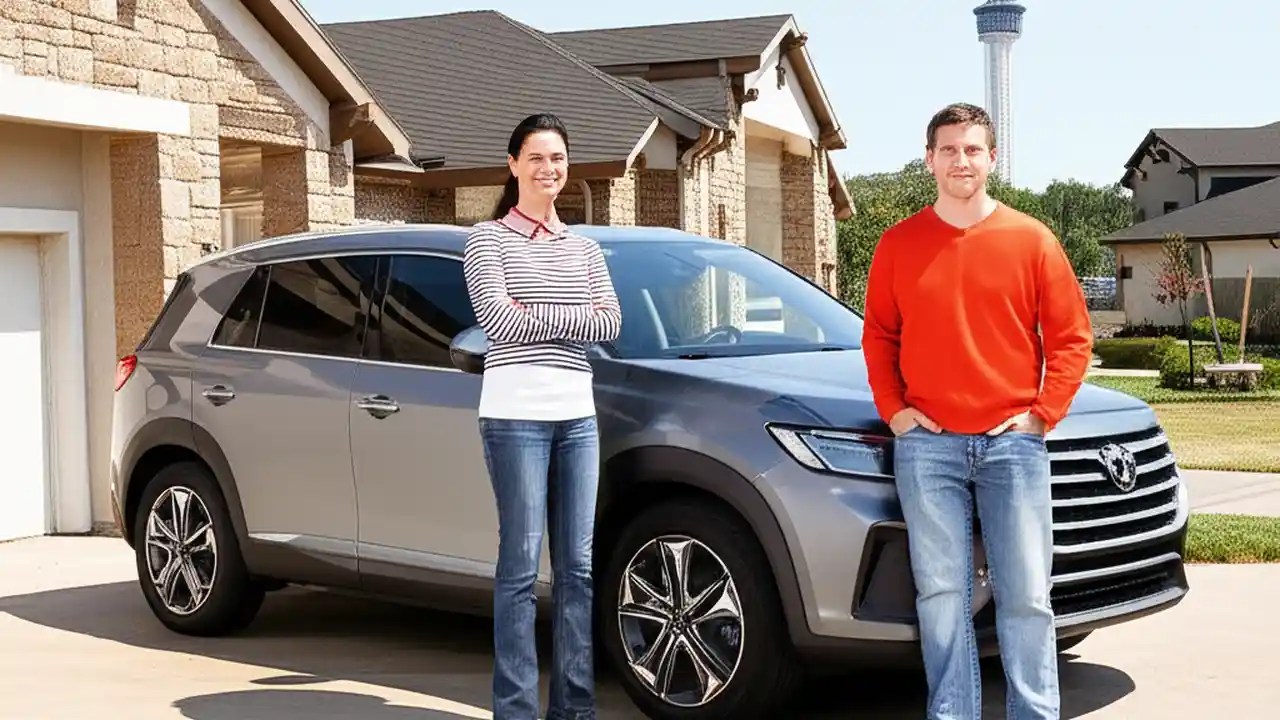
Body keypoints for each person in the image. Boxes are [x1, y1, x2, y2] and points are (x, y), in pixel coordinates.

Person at [861, 102, 1093, 719]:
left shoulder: (1032, 240)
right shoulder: (899, 244)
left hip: (1012, 445)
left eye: (972, 150)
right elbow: (879, 337)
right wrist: (896, 412)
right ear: (929, 158)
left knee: (1026, 598)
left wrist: (1042, 414)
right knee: (941, 596)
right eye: (948, 149)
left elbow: (1072, 337)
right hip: (927, 447)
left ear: (992, 158)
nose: (960, 160)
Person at [462, 112, 621, 720]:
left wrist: (536, 310)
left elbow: (610, 323)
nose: (548, 169)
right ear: (513, 165)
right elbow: (496, 321)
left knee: (578, 571)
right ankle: (517, 711)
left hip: (577, 418)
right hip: (514, 417)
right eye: (536, 158)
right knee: (521, 570)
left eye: (557, 159)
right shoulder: (486, 240)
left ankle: (574, 710)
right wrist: (568, 315)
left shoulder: (584, 246)